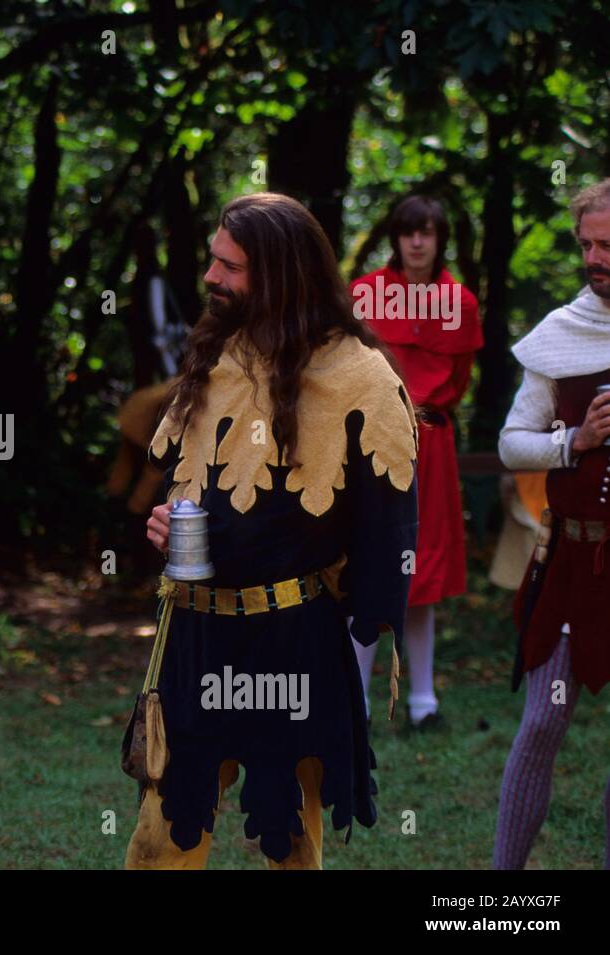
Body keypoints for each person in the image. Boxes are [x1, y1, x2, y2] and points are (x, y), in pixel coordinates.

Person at [124, 193, 418, 869]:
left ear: (282, 273)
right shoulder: (213, 356)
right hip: (196, 633)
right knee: (160, 834)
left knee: (289, 842)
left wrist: (368, 609)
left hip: (292, 636)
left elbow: (386, 520)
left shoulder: (359, 376)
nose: (211, 278)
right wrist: (168, 525)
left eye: (230, 266)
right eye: (212, 261)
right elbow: (188, 480)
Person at [493, 178, 610, 869]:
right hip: (570, 561)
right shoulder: (561, 337)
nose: (596, 257)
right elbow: (512, 442)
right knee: (541, 722)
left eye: (608, 245)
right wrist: (576, 443)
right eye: (588, 244)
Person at [350, 194, 482, 729]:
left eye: (428, 231)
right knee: (363, 564)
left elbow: (462, 379)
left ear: (440, 237)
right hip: (370, 439)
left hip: (431, 441)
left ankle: (423, 700)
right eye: (409, 231)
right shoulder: (364, 295)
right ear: (396, 237)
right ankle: (354, 699)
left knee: (422, 569)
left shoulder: (461, 302)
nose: (418, 241)